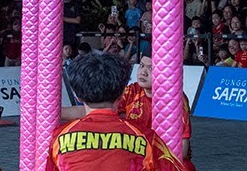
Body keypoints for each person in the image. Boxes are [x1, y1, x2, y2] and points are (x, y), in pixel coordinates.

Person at [46, 52, 185, 170]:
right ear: (122, 93)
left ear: (78, 96)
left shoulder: (59, 137)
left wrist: (47, 113)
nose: (143, 72)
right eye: (142, 66)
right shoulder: (146, 137)